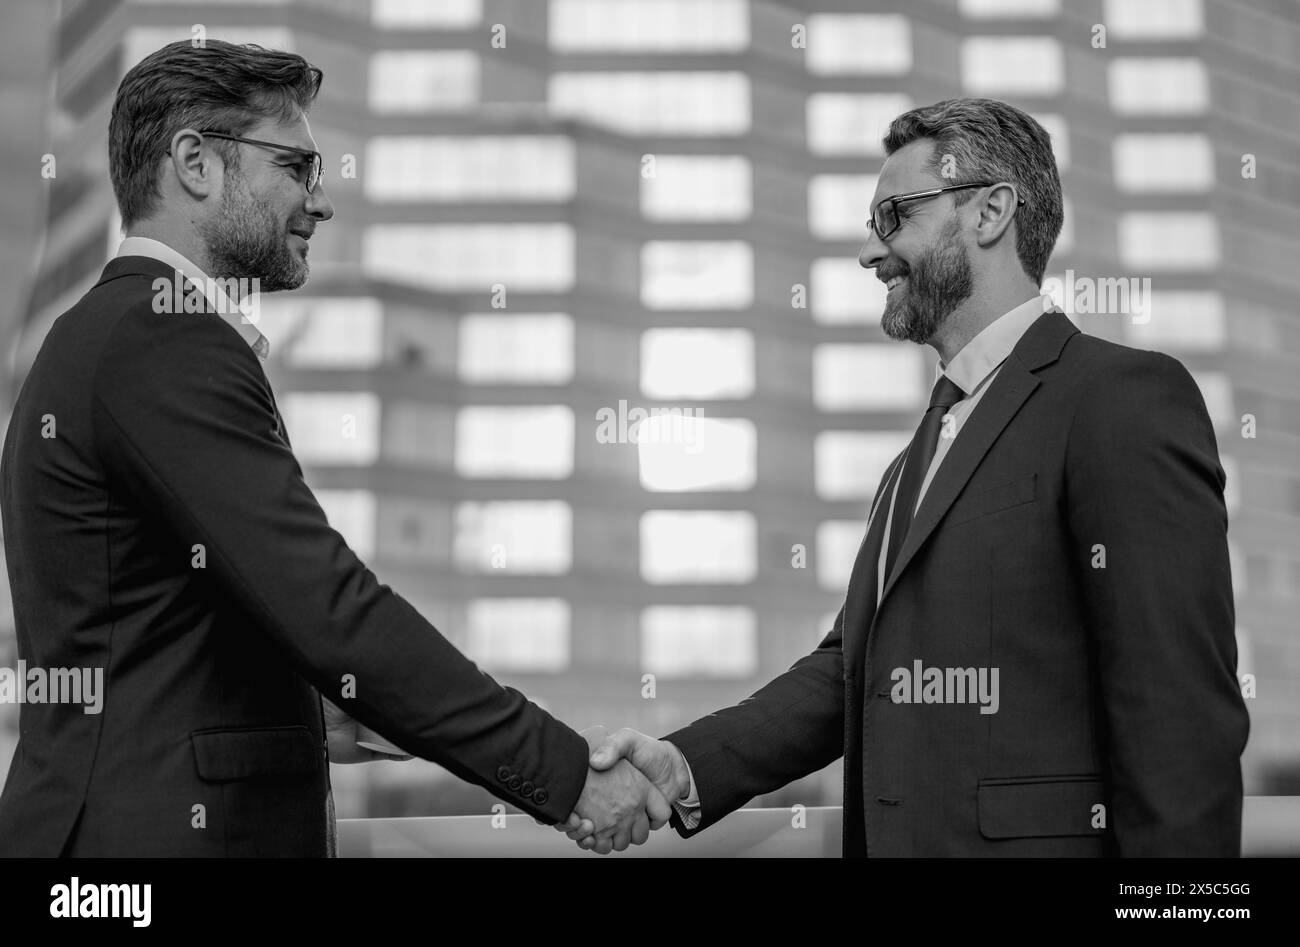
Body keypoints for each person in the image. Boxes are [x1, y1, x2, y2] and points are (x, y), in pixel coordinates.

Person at [0, 39, 667, 857]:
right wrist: (567, 773)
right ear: (196, 162)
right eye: (298, 168)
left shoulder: (113, 335)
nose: (321, 202)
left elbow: (171, 640)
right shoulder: (161, 335)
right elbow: (328, 605)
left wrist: (337, 707)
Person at [573, 98, 1249, 857]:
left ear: (990, 211)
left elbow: (1179, 717)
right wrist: (684, 764)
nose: (872, 251)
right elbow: (846, 674)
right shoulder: (909, 466)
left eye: (894, 214)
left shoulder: (1119, 400)